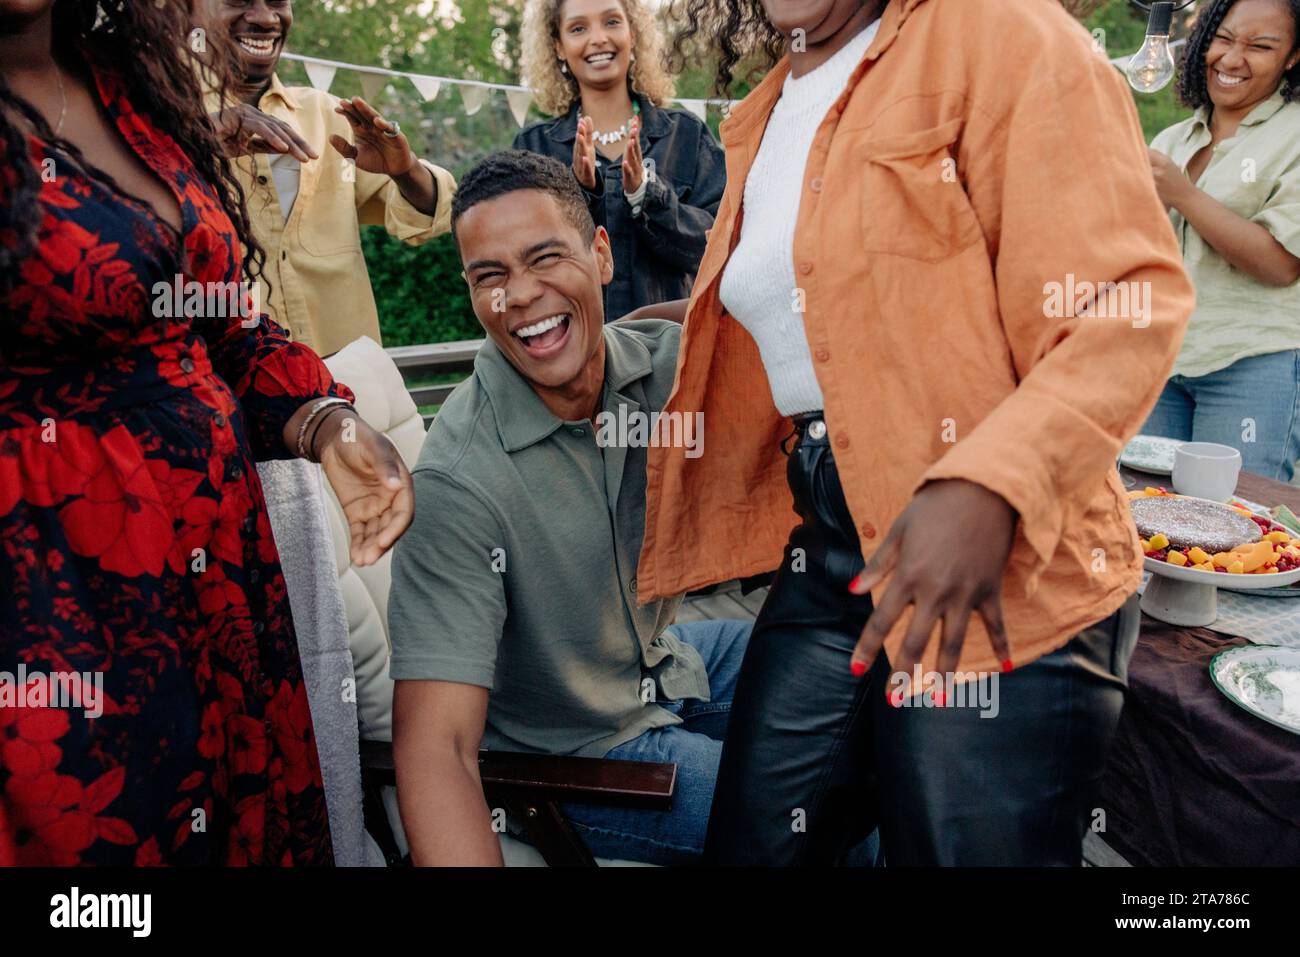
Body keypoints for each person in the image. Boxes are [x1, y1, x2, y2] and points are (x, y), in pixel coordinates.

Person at [636, 0, 1196, 865]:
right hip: (831, 557)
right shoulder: (771, 100)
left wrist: (990, 482)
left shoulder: (1003, 32)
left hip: (1006, 570)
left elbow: (1123, 304)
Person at [0, 0, 414, 865]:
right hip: (55, 609)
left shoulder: (127, 88)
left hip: (221, 588)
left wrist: (326, 419)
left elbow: (218, 324)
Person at [386, 150, 752, 866]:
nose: (518, 295)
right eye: (489, 276)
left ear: (602, 255)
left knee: (859, 674)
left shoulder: (657, 371)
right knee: (822, 813)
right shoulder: (458, 483)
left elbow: (754, 327)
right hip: (577, 752)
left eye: (545, 257)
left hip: (660, 663)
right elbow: (438, 746)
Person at [200, 0, 457, 358]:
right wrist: (196, 136)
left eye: (277, 2)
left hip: (347, 385)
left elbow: (428, 219)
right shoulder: (154, 119)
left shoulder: (329, 115)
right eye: (238, 1)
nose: (264, 17)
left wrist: (406, 169)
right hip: (226, 391)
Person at [1144, 0, 1300, 481]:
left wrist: (1181, 194)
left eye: (1260, 46)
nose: (1232, 59)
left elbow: (1281, 264)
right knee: (1142, 511)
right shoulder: (1174, 140)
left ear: (1293, 57)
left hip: (1254, 362)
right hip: (1160, 361)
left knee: (1236, 522)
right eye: (1224, 38)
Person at [513, 0, 725, 321]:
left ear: (634, 33)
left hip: (672, 351)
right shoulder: (533, 148)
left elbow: (718, 247)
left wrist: (646, 194)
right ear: (558, 47)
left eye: (612, 22)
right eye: (578, 28)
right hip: (577, 357)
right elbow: (526, 262)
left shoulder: (686, 135)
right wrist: (580, 193)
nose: (598, 38)